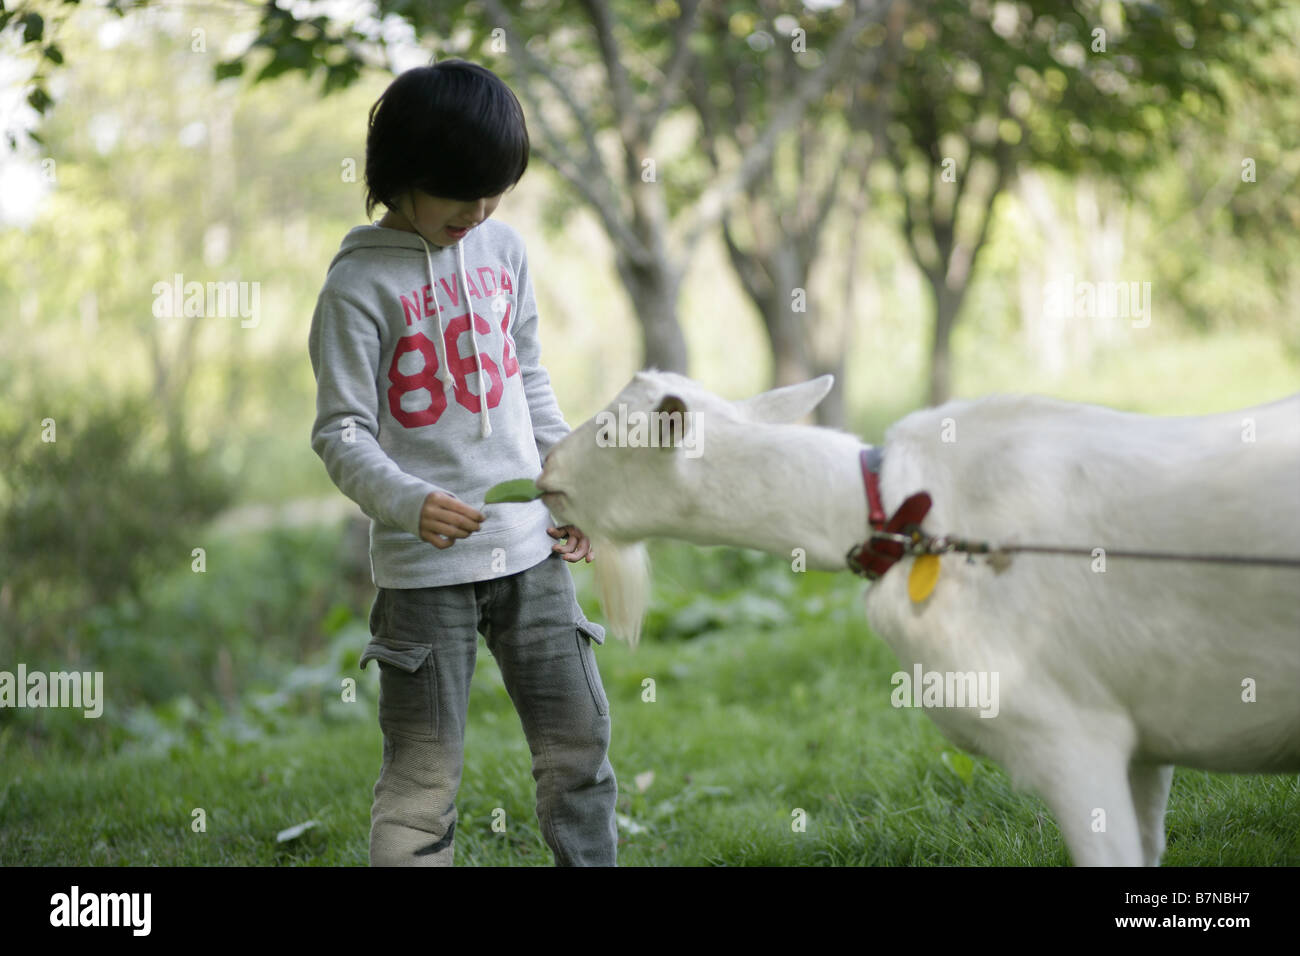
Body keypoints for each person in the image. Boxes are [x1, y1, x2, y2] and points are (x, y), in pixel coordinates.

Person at [308, 59, 617, 866]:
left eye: (495, 193)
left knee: (578, 742)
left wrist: (567, 484)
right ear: (401, 177)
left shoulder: (501, 251)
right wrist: (409, 501)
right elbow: (340, 433)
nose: (478, 212)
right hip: (422, 569)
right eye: (460, 194)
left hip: (529, 549)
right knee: (421, 776)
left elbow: (529, 380)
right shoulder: (357, 286)